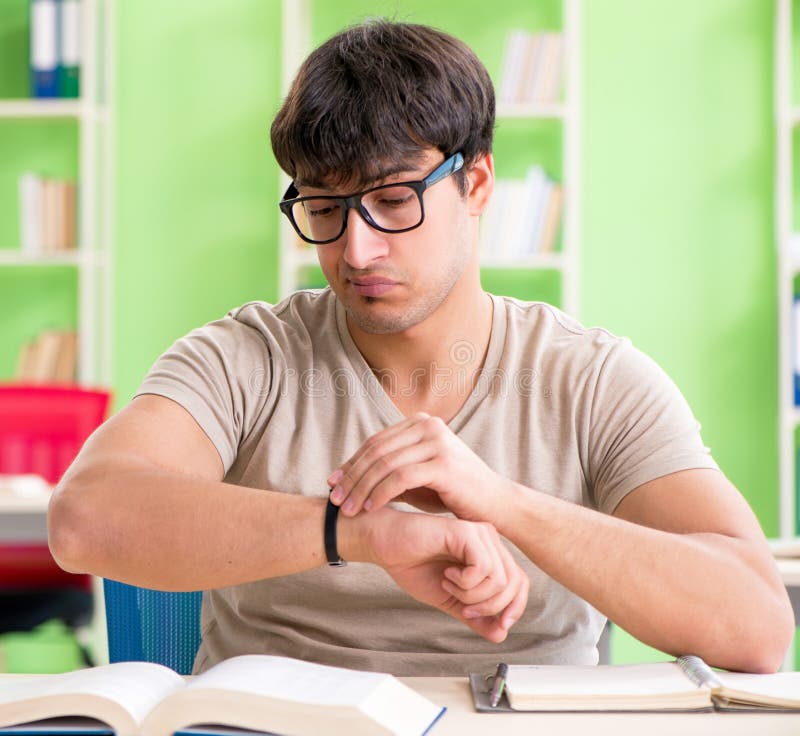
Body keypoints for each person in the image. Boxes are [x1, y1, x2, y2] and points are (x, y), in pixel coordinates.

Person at [49, 19, 792, 676]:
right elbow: (84, 517)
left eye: (393, 200)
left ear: (477, 183)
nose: (356, 248)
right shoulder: (247, 358)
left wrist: (503, 503)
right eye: (324, 207)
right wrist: (357, 534)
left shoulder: (592, 379)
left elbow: (758, 627)